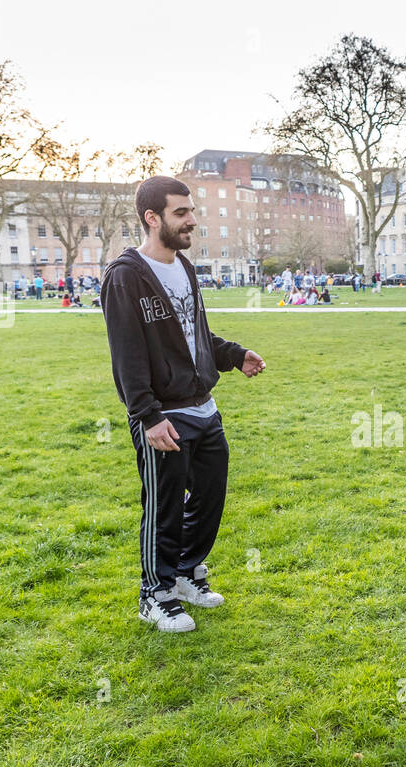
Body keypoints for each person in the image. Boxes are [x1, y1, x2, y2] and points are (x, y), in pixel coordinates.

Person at [100, 176, 267, 633]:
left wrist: (233, 355)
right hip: (162, 414)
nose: (191, 219)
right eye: (180, 213)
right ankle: (154, 594)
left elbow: (196, 334)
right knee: (165, 506)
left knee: (209, 499)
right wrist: (147, 416)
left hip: (203, 407)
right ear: (152, 218)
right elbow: (127, 355)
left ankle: (186, 573)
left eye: (191, 211)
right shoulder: (125, 276)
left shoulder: (185, 266)